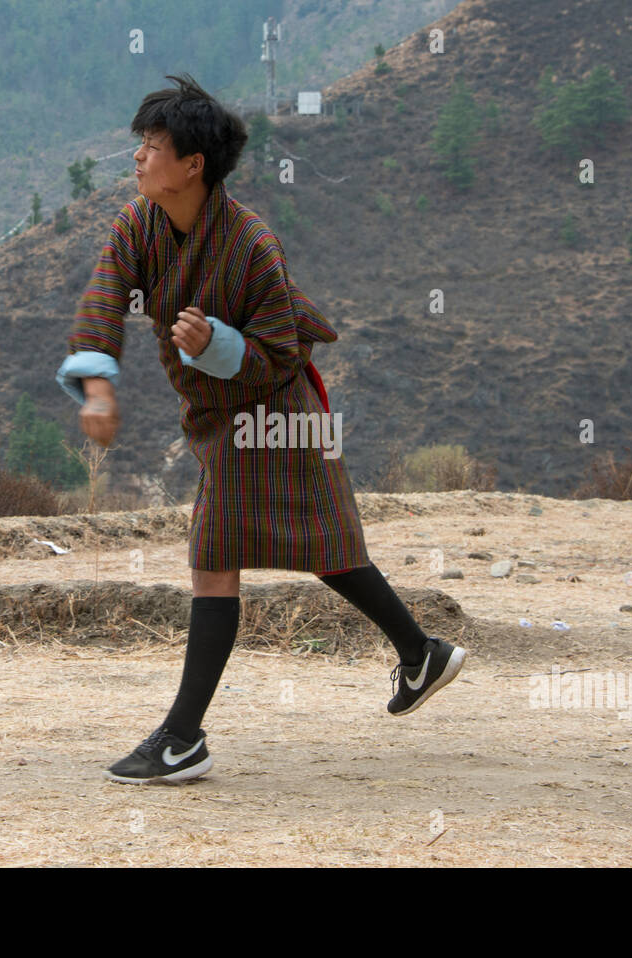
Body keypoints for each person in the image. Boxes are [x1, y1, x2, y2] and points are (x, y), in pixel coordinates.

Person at [57, 74, 466, 785]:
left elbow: (279, 350)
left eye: (153, 146)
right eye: (140, 145)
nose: (138, 158)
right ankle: (419, 651)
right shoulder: (138, 225)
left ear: (194, 166)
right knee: (325, 547)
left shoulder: (250, 243)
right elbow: (102, 295)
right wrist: (97, 386)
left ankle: (182, 737)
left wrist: (215, 341)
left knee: (218, 557)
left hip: (276, 412)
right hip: (223, 416)